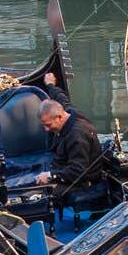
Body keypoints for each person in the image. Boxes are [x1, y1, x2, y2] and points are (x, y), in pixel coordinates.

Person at [35, 75, 105, 204]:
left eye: (48, 125)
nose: (46, 129)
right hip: (63, 167)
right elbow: (61, 97)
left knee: (37, 198)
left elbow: (77, 172)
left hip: (80, 182)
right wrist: (50, 84)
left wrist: (50, 175)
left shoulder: (77, 136)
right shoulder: (69, 111)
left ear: (60, 117)